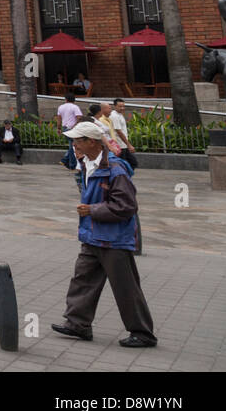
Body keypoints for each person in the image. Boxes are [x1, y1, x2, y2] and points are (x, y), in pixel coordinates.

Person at [52, 121, 156, 348]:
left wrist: (93, 210)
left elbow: (127, 206)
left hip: (114, 238)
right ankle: (77, 324)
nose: (73, 145)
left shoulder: (115, 169)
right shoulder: (89, 163)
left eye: (77, 140)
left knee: (125, 286)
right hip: (92, 235)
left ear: (91, 142)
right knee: (83, 280)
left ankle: (143, 333)